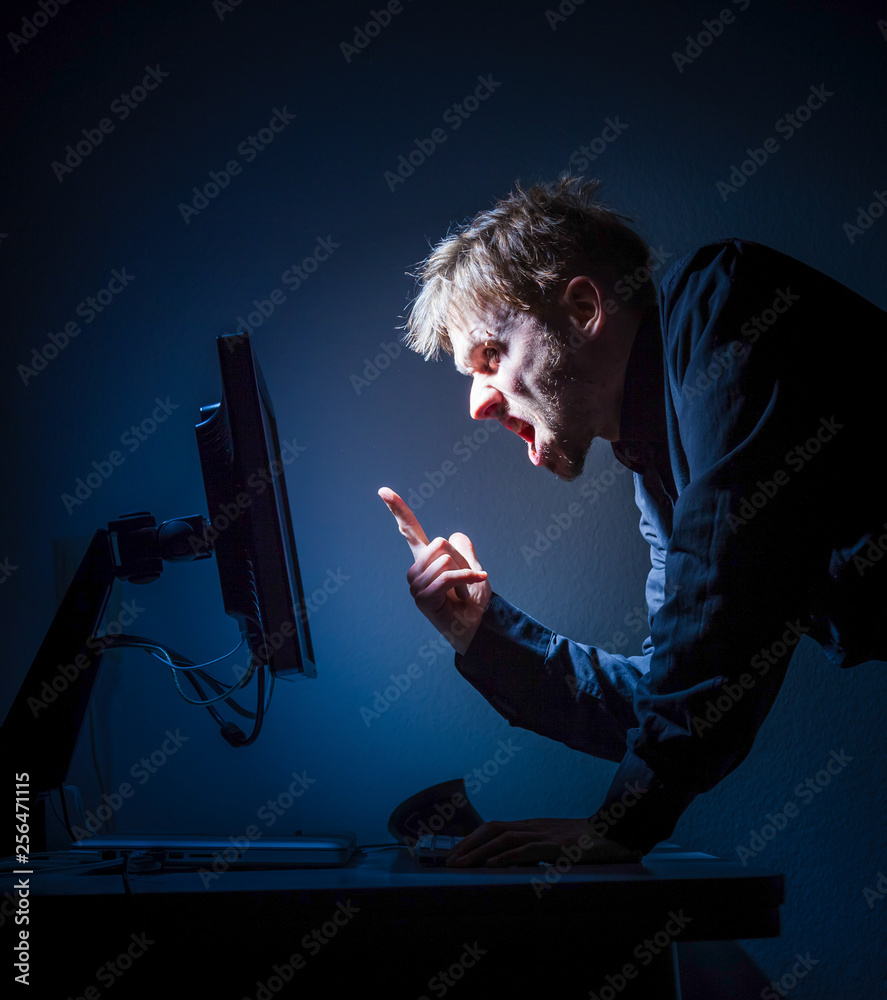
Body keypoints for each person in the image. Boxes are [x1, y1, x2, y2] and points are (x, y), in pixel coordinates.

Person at [379, 176, 886, 867]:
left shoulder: (725, 296)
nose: (477, 404)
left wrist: (620, 824)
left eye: (490, 357)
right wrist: (482, 631)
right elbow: (668, 691)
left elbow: (721, 605)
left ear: (584, 307)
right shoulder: (661, 475)